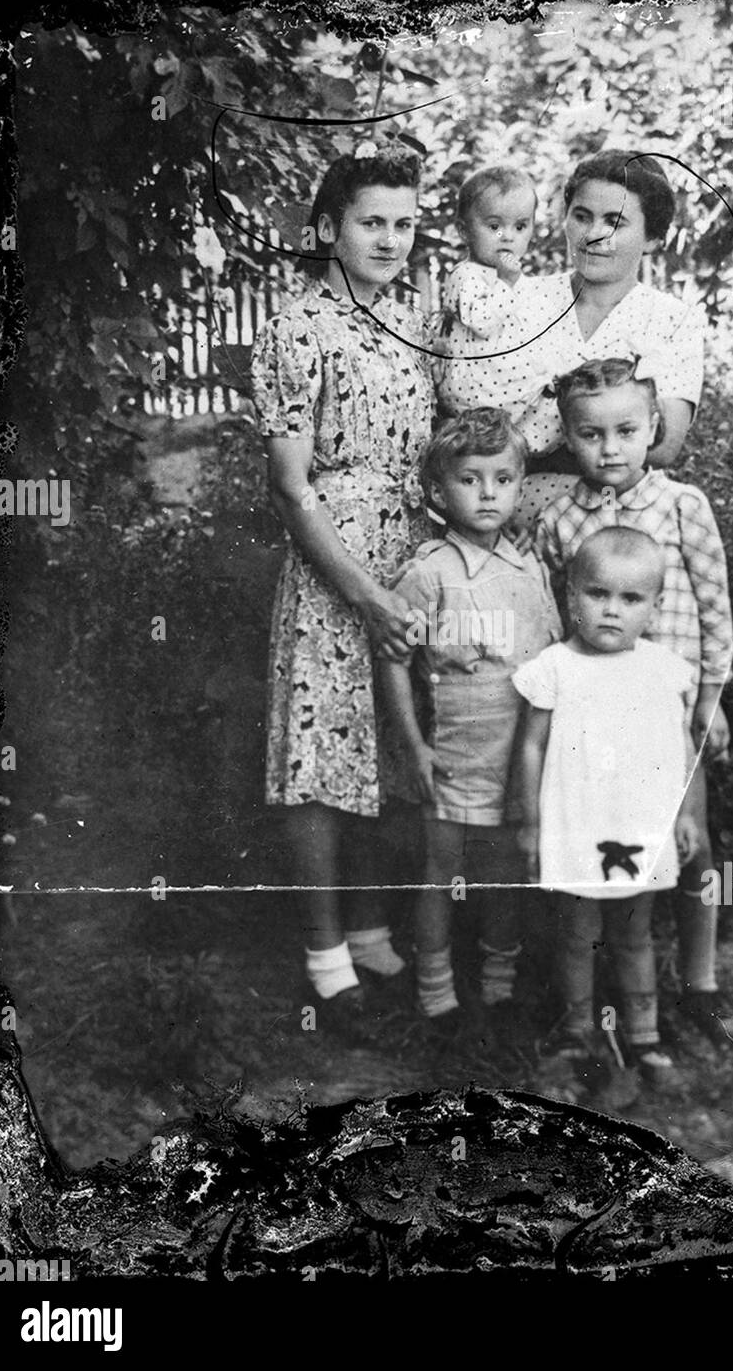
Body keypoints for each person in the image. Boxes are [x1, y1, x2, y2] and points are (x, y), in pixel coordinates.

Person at [249, 149, 433, 1039]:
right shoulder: (296, 329)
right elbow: (291, 488)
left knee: (386, 755)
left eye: (404, 222)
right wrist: (362, 593)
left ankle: (369, 933)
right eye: (371, 222)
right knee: (320, 764)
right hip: (336, 572)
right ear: (328, 230)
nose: (390, 239)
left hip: (410, 561)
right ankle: (326, 964)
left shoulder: (413, 324)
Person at [534, 357, 733, 1048]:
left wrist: (711, 695)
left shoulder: (682, 506)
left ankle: (700, 981)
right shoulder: (559, 519)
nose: (610, 448)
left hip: (669, 714)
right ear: (569, 438)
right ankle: (603, 997)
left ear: (652, 427)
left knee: (691, 841)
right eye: (591, 435)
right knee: (607, 848)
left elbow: (715, 606)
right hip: (595, 723)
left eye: (626, 430)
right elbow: (553, 622)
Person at [378, 408, 562, 1027]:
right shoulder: (429, 573)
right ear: (437, 491)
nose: (488, 493)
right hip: (453, 756)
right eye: (470, 479)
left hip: (516, 759)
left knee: (505, 873)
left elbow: (552, 670)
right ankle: (435, 996)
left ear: (519, 486)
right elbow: (394, 662)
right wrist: (412, 747)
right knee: (441, 870)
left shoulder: (530, 570)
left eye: (503, 479)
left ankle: (500, 988)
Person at [512, 528, 699, 1100]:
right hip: (577, 820)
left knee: (636, 932)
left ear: (655, 607)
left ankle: (642, 1035)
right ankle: (575, 1031)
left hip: (637, 820)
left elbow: (683, 747)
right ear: (571, 596)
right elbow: (531, 747)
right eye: (597, 594)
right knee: (578, 932)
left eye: (631, 599)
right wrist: (529, 821)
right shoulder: (556, 667)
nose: (612, 611)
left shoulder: (664, 668)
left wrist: (688, 814)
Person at [513, 149, 707, 525]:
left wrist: (546, 445)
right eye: (582, 217)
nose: (593, 235)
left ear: (652, 238)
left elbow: (664, 444)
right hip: (507, 510)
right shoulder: (523, 299)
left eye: (614, 222)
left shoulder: (671, 320)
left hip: (619, 520)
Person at [436, 165, 554, 422]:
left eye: (520, 226)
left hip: (508, 391)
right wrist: (506, 283)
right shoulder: (465, 275)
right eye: (494, 226)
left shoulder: (516, 279)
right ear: (464, 231)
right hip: (476, 394)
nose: (508, 237)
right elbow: (481, 322)